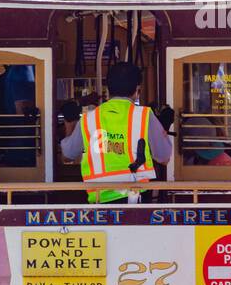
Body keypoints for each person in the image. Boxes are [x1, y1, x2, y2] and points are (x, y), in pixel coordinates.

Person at [59, 62, 174, 203]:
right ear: (137, 90)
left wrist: (69, 126)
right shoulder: (144, 115)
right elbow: (164, 158)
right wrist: (164, 127)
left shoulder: (89, 118)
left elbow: (68, 156)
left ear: (108, 89)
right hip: (136, 197)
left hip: (99, 200)